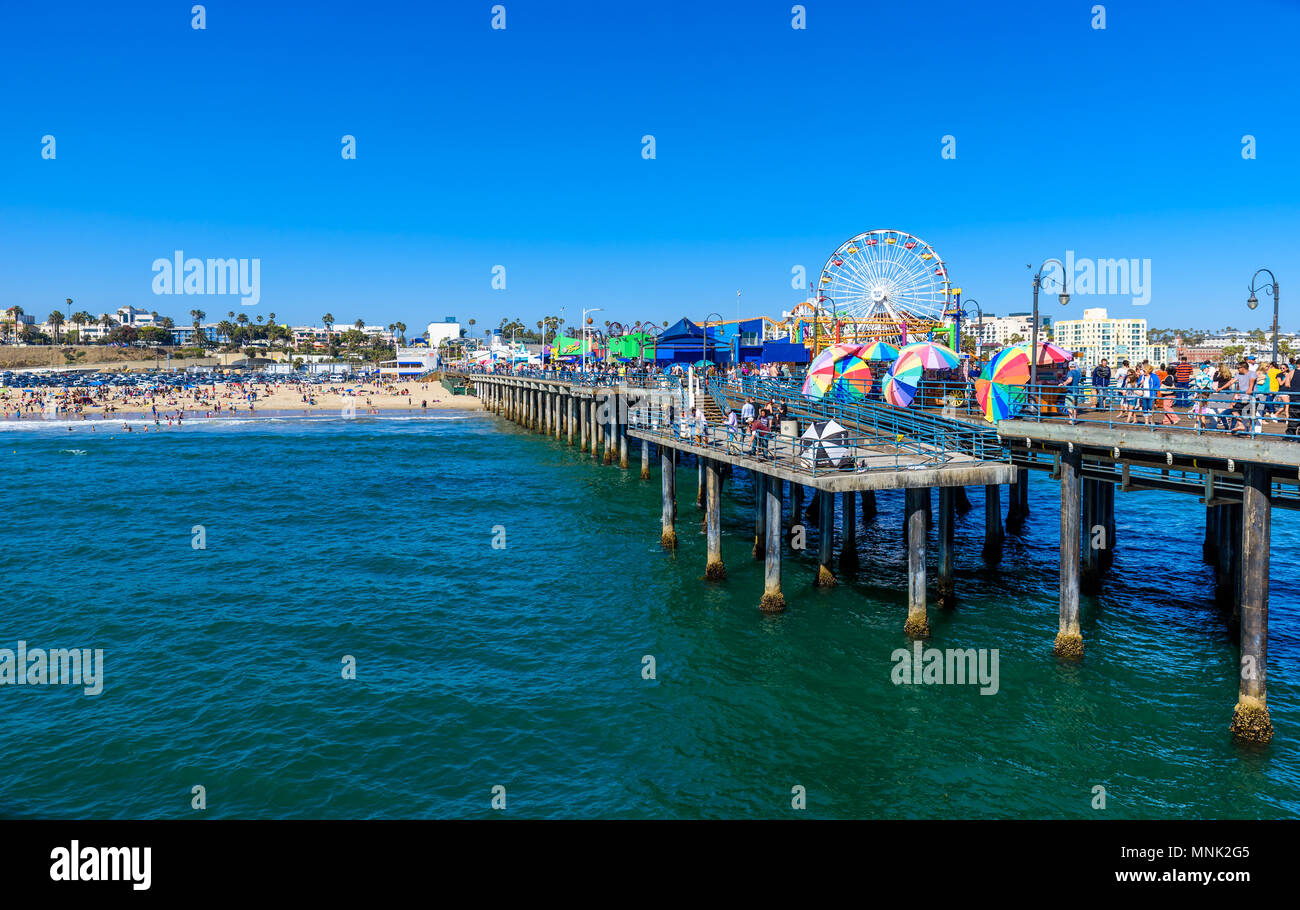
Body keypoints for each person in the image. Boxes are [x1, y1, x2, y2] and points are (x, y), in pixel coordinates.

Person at [1060, 359, 1082, 424]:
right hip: (1076, 390)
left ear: (1069, 367)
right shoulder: (1078, 372)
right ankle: (1075, 419)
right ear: (1075, 366)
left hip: (1070, 391)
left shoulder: (1070, 372)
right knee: (1074, 406)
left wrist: (1063, 383)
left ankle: (1071, 419)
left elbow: (1070, 379)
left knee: (1068, 406)